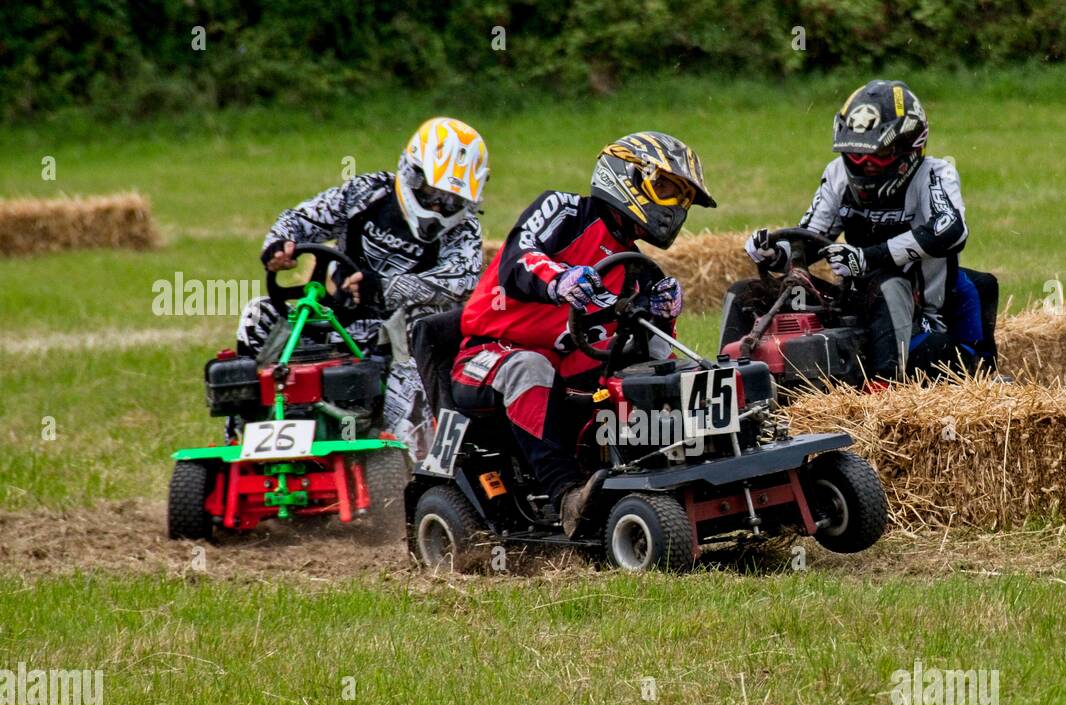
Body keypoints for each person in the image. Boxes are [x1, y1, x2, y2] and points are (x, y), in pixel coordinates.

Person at [447, 131, 715, 535]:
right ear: (627, 175)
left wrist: (662, 314)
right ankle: (567, 495)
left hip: (565, 364)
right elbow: (520, 258)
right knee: (529, 366)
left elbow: (642, 345)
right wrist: (559, 279)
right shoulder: (564, 211)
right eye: (665, 189)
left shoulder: (632, 267)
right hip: (485, 355)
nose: (675, 207)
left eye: (682, 199)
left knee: (649, 364)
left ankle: (681, 461)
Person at [232, 116, 488, 459]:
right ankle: (243, 435)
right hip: (335, 322)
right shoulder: (366, 192)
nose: (439, 208)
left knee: (424, 322)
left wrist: (384, 288)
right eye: (432, 194)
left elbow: (461, 280)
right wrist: (279, 244)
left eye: (452, 201)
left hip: (400, 342)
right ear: (410, 174)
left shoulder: (465, 231)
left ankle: (420, 462)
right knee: (257, 314)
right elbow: (302, 218)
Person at [726, 80, 995, 381]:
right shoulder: (837, 175)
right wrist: (776, 253)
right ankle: (727, 381)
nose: (864, 166)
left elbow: (951, 230)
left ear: (908, 148)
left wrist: (868, 258)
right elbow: (810, 238)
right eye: (856, 156)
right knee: (743, 293)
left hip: (922, 322)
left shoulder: (934, 174)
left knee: (886, 285)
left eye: (875, 157)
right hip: (851, 307)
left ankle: (881, 396)